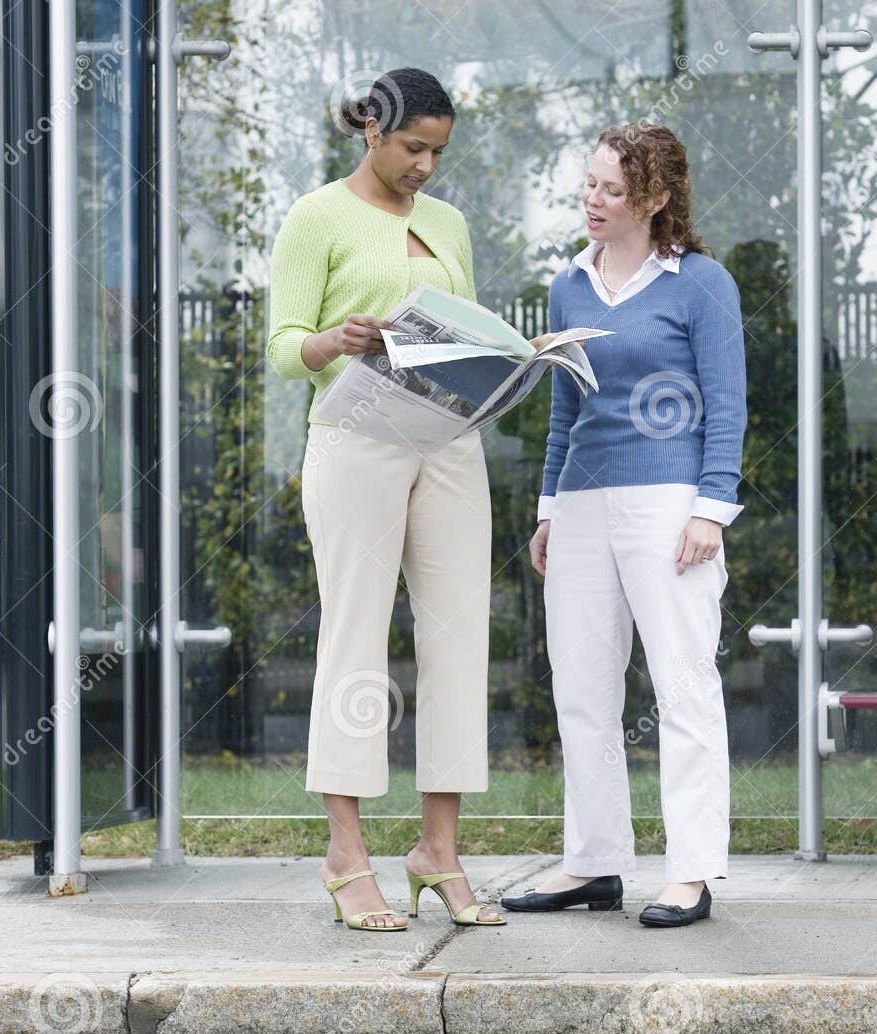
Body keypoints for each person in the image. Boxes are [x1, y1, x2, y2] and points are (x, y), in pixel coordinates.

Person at [265, 68, 506, 930]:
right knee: (356, 636)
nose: (426, 168)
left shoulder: (448, 224)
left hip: (446, 439)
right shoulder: (316, 216)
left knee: (457, 638)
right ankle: (346, 853)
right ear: (371, 127)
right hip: (355, 436)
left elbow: (464, 327)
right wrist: (336, 337)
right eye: (413, 148)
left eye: (439, 152)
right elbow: (286, 346)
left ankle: (438, 850)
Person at [503, 123, 746, 928]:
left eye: (612, 188)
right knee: (581, 688)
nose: (593, 201)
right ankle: (593, 862)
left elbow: (728, 402)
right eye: (589, 185)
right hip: (580, 503)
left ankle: (691, 871)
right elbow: (564, 409)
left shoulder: (701, 282)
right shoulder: (568, 285)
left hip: (671, 501)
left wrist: (713, 506)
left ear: (655, 198)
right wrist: (548, 509)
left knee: (681, 685)